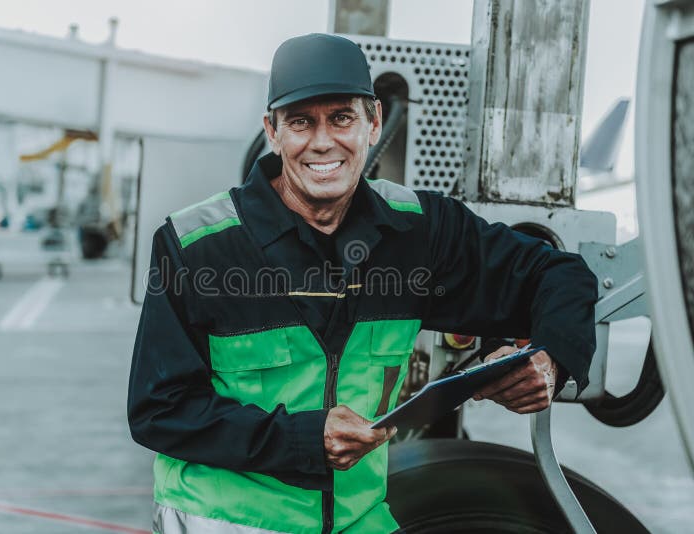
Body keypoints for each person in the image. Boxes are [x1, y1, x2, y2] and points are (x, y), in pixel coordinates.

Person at [128, 33, 598, 534]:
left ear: (373, 123)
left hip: (357, 518)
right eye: (301, 122)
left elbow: (559, 274)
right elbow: (160, 410)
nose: (323, 141)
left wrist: (550, 359)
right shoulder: (198, 246)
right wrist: (306, 438)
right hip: (226, 518)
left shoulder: (417, 232)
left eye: (342, 118)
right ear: (272, 131)